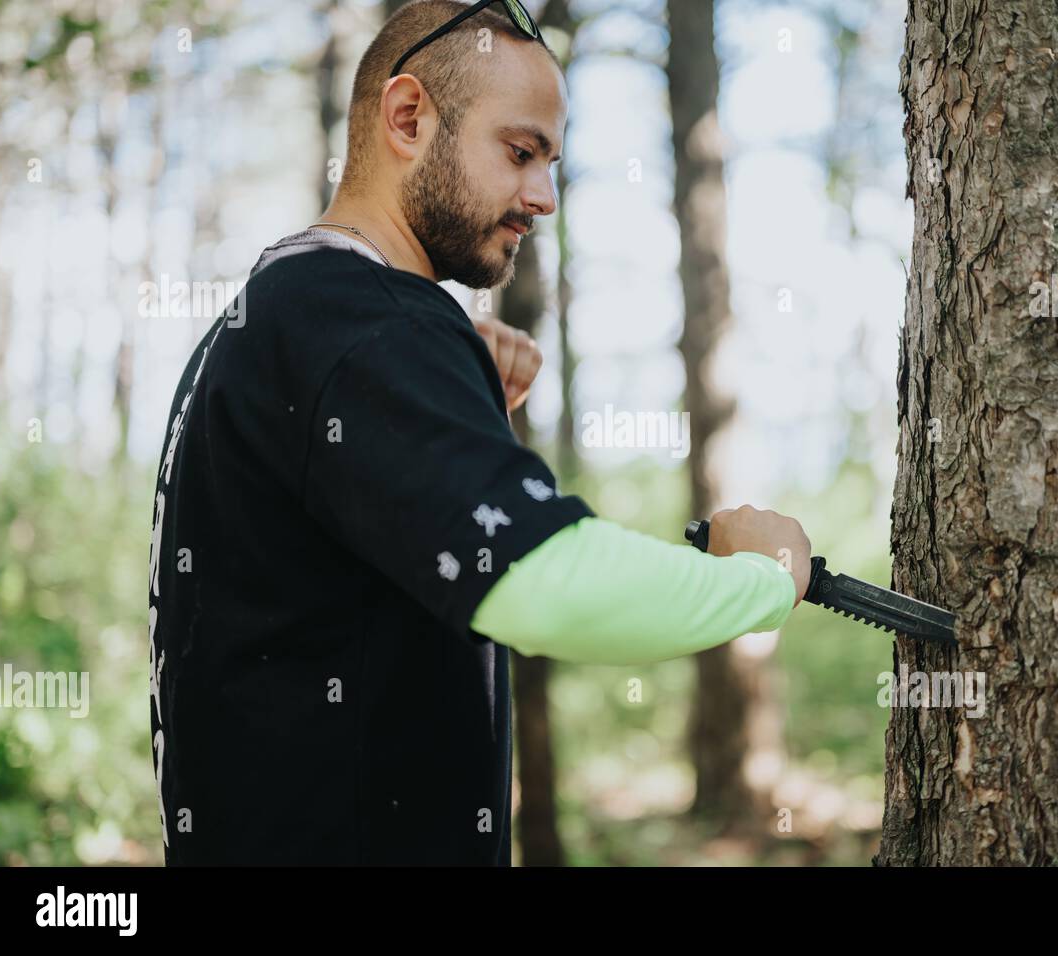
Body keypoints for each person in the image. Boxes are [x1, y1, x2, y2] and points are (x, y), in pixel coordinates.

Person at [148, 0, 811, 866]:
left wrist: (457, 409)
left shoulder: (278, 313)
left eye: (553, 163)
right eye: (520, 151)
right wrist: (764, 577)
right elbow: (550, 583)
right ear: (409, 117)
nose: (543, 197)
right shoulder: (359, 319)